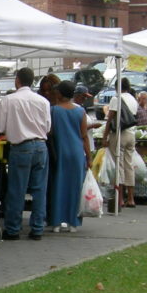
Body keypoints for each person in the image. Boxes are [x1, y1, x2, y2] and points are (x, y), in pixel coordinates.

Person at [0, 67, 51, 240]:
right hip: (41, 146)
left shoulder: (8, 100)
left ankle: (13, 229)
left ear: (17, 80)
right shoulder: (43, 101)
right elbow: (48, 127)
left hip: (21, 147)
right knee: (39, 190)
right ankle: (37, 228)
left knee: (16, 190)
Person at [49, 80, 91, 232]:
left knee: (59, 185)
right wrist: (89, 157)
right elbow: (84, 135)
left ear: (59, 93)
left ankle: (57, 221)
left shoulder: (54, 111)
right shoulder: (80, 112)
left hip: (60, 151)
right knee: (75, 187)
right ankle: (73, 222)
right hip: (77, 152)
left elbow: (51, 132)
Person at [102, 77, 139, 209]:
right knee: (129, 164)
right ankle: (131, 198)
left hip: (119, 134)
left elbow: (110, 118)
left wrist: (105, 136)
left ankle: (120, 198)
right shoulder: (133, 99)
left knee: (119, 164)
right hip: (131, 134)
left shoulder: (116, 98)